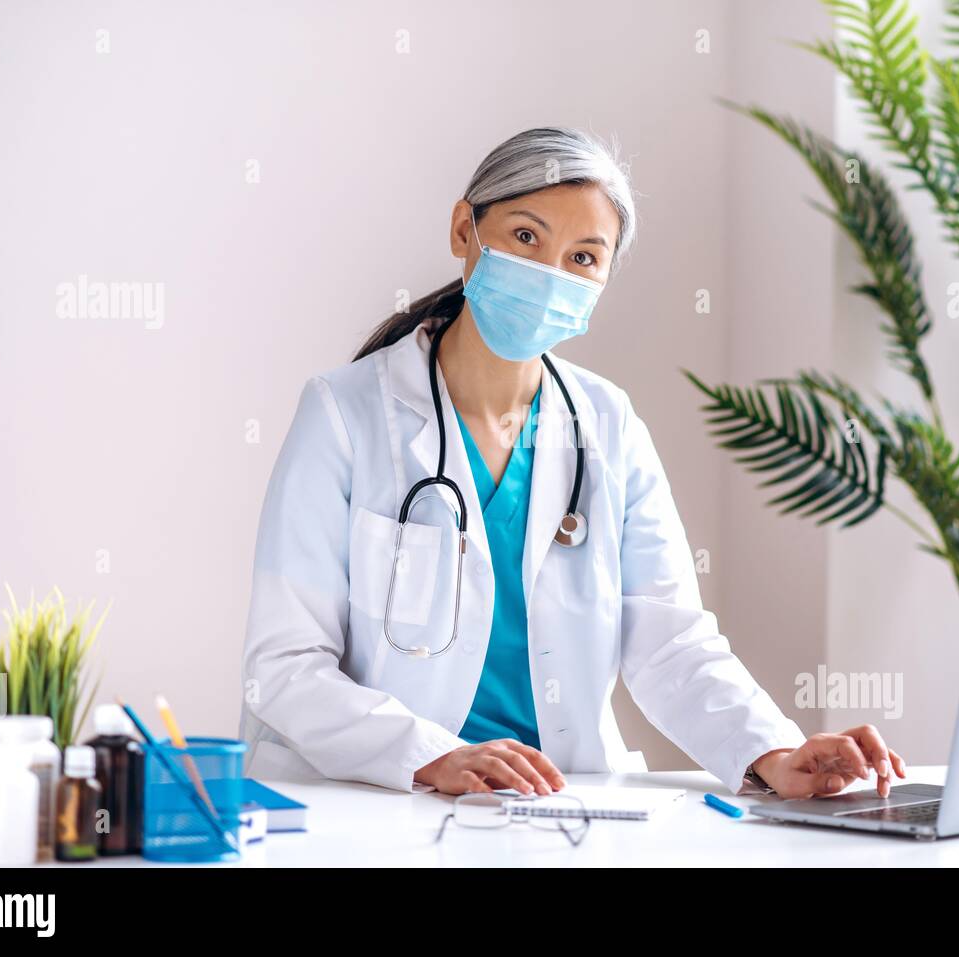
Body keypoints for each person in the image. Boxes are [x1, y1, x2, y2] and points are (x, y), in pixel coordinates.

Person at [239, 127, 905, 799]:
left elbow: (671, 641)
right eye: (526, 237)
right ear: (463, 229)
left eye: (583, 256)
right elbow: (285, 664)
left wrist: (774, 749)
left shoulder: (607, 422)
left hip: (558, 805)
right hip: (384, 799)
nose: (549, 274)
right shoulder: (343, 413)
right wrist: (430, 755)